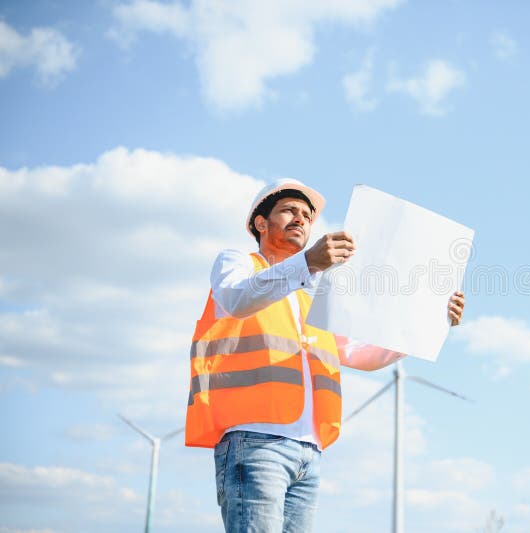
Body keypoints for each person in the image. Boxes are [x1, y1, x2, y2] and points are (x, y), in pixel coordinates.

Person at [184, 178, 465, 533]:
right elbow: (238, 299)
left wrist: (430, 323)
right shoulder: (238, 263)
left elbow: (361, 355)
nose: (300, 219)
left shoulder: (313, 294)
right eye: (288, 210)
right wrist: (308, 264)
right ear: (260, 223)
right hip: (253, 442)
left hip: (308, 453)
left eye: (306, 215)